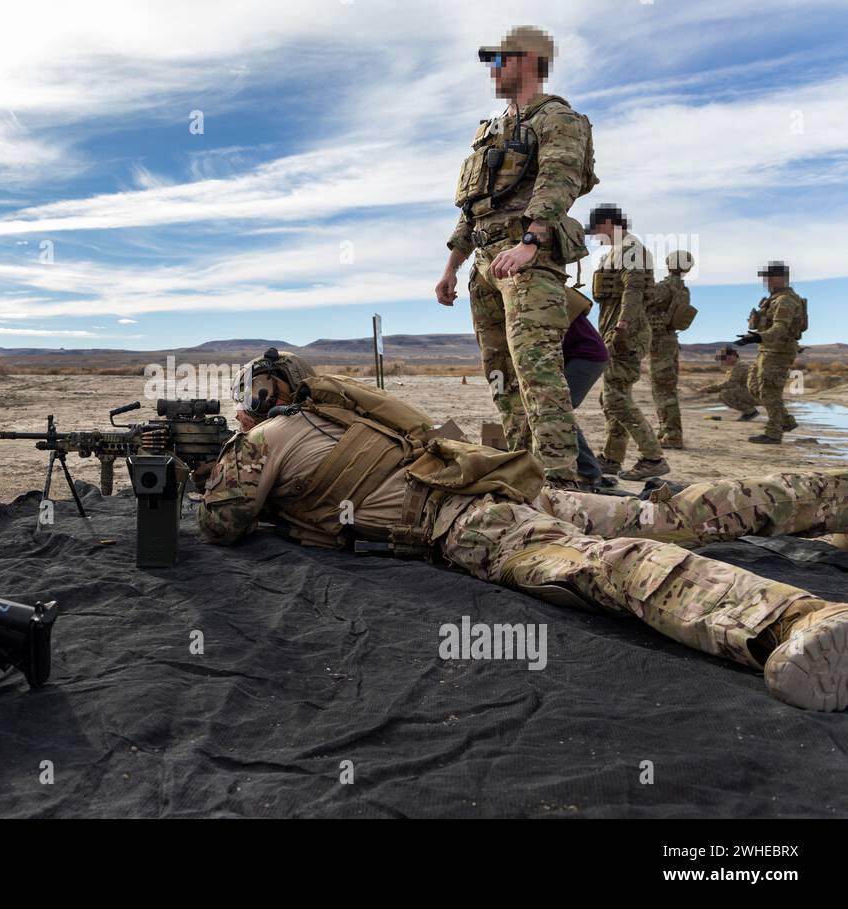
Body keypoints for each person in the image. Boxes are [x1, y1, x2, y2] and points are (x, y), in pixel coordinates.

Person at [197, 349, 848, 712]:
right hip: (499, 484)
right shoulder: (340, 414)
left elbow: (222, 521)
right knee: (668, 515)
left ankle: (790, 622)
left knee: (597, 564)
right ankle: (831, 493)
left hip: (465, 519)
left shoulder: (268, 437)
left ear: (253, 405)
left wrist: (216, 460)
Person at [435, 25, 596, 489]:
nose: (494, 70)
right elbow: (473, 204)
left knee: (539, 376)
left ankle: (563, 487)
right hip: (485, 261)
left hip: (526, 257)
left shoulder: (558, 118)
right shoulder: (492, 131)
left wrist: (532, 240)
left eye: (501, 60)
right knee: (502, 379)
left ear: (529, 60)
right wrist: (452, 265)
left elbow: (559, 179)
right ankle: (526, 479)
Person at [586, 204, 670, 481]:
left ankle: (653, 458)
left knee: (616, 397)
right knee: (612, 395)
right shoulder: (615, 253)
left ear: (609, 223)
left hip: (626, 333)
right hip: (613, 330)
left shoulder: (632, 249)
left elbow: (633, 291)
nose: (597, 237)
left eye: (598, 230)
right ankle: (612, 458)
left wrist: (622, 328)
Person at [736, 261, 807, 444]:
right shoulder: (774, 299)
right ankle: (786, 421)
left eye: (770, 277)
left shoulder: (785, 300)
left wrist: (757, 337)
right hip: (767, 350)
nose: (766, 281)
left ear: (782, 278)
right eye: (765, 278)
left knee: (769, 392)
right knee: (754, 388)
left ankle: (774, 433)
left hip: (779, 352)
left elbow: (780, 328)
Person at [646, 249, 696, 449]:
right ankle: (666, 429)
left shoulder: (664, 287)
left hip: (660, 341)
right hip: (670, 340)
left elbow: (644, 303)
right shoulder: (683, 290)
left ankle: (672, 435)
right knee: (666, 387)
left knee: (663, 388)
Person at [561, 304, 609, 487]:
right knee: (550, 410)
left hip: (586, 356)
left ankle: (589, 472)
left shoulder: (538, 289)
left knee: (557, 411)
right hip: (572, 355)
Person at [698, 346, 759, 420]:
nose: (723, 361)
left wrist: (709, 388)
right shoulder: (736, 366)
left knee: (725, 394)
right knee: (726, 392)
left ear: (732, 356)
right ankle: (749, 411)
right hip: (753, 393)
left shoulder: (741, 366)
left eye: (725, 358)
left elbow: (730, 384)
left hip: (757, 395)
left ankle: (750, 412)